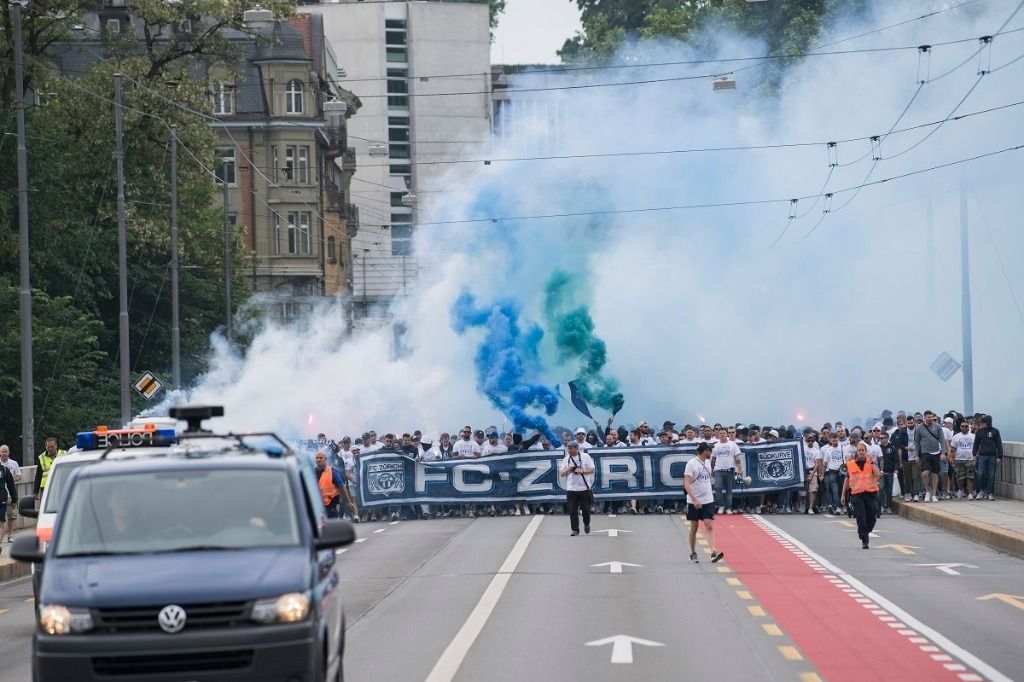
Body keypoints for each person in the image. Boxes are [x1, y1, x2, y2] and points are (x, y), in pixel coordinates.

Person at [684, 442, 724, 563]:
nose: (710, 453)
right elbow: (686, 483)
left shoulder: (708, 462)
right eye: (709, 450)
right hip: (694, 501)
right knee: (694, 527)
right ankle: (692, 552)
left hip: (707, 499)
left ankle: (713, 551)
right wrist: (694, 499)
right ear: (703, 451)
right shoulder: (691, 464)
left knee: (709, 525)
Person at [840, 442, 881, 549]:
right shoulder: (851, 464)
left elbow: (878, 474)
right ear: (857, 452)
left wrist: (872, 463)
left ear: (866, 452)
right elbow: (847, 480)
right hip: (857, 494)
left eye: (863, 450)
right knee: (861, 517)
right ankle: (864, 539)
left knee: (872, 517)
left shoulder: (870, 463)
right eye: (859, 450)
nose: (861, 452)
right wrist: (843, 495)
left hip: (870, 493)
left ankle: (866, 531)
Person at [559, 441, 594, 536]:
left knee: (586, 509)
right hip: (571, 488)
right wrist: (569, 470)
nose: (569, 450)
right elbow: (561, 473)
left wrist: (582, 471)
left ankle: (586, 523)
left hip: (584, 488)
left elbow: (592, 469)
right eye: (568, 448)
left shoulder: (585, 456)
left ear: (576, 448)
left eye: (571, 448)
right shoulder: (566, 459)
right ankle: (575, 529)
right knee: (572, 510)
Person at [914, 410, 947, 503]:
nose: (930, 419)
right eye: (928, 417)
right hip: (925, 453)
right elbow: (917, 442)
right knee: (925, 473)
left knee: (935, 474)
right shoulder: (919, 428)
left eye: (931, 417)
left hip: (936, 453)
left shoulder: (937, 427)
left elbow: (942, 440)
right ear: (924, 417)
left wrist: (943, 452)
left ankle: (934, 494)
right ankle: (927, 491)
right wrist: (917, 455)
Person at [711, 428, 744, 515]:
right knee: (717, 487)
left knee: (729, 490)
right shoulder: (715, 446)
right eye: (720, 433)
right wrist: (711, 469)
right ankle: (721, 505)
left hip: (730, 470)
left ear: (727, 434)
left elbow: (737, 457)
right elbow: (713, 459)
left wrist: (739, 468)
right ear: (718, 435)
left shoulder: (733, 444)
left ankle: (728, 507)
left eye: (723, 433)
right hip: (718, 470)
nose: (722, 434)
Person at [972, 415, 1003, 500]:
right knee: (980, 474)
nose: (982, 424)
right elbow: (976, 444)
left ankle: (990, 492)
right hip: (982, 456)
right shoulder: (979, 431)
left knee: (991, 475)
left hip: (992, 456)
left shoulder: (995, 431)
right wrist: (974, 455)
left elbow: (999, 444)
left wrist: (999, 456)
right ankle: (981, 490)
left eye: (983, 422)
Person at [315, 451, 349, 519]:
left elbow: (342, 486)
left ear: (325, 459)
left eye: (321, 458)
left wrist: (348, 502)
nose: (318, 460)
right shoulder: (312, 473)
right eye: (317, 458)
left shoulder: (332, 472)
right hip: (318, 505)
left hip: (331, 505)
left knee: (331, 523)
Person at [949, 420, 976, 499]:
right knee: (959, 477)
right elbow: (953, 449)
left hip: (970, 459)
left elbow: (976, 448)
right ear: (960, 427)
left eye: (966, 426)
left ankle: (970, 493)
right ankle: (961, 489)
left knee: (970, 477)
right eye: (962, 426)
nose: (964, 428)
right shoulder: (956, 436)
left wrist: (975, 457)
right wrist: (951, 457)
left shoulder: (973, 436)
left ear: (968, 427)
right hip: (959, 459)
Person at [0, 459, 17, 544]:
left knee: (0, 524)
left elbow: (11, 485)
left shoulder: (4, 470)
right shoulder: (4, 469)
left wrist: (14, 500)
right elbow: (11, 486)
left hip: (1, 500)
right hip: (2, 499)